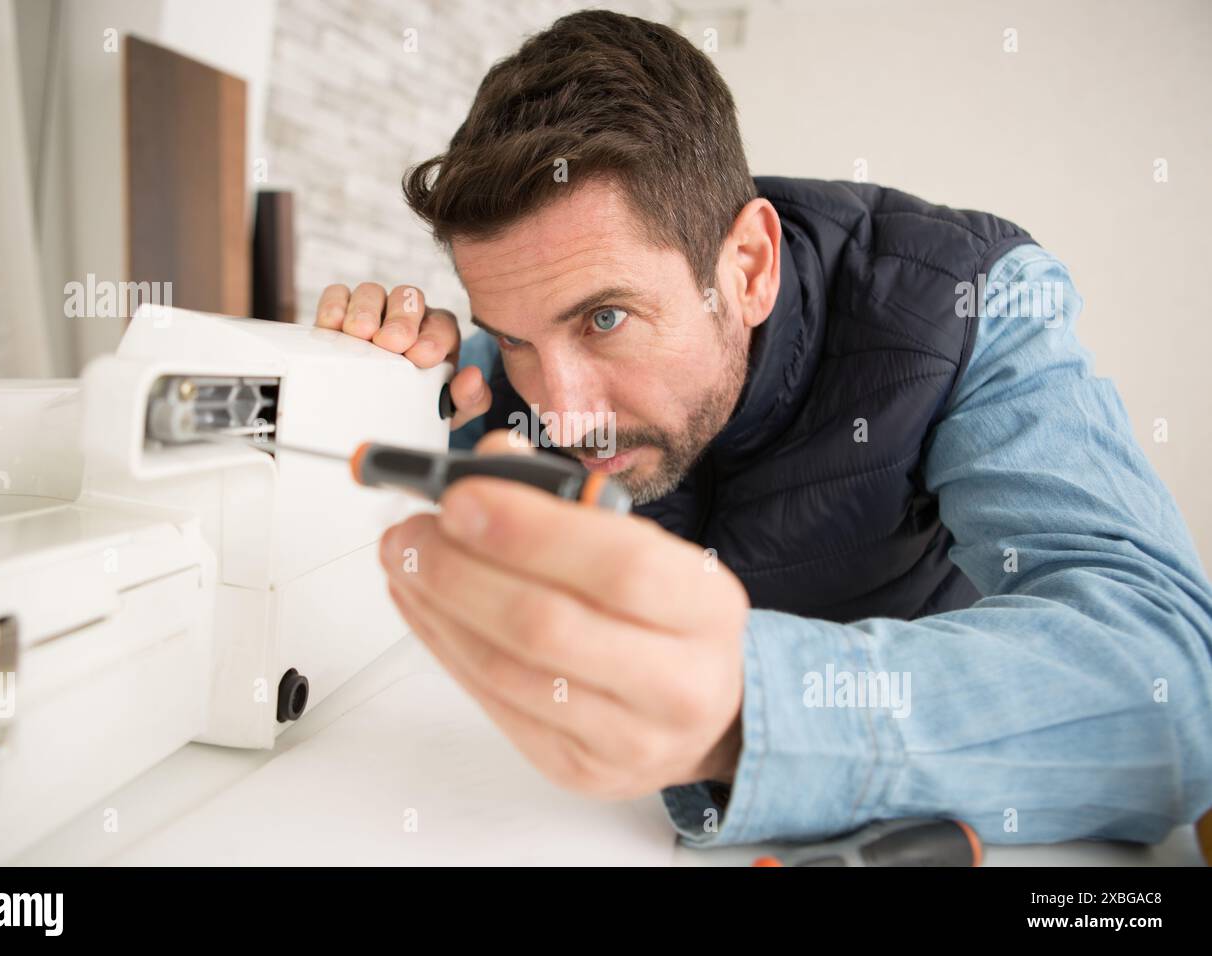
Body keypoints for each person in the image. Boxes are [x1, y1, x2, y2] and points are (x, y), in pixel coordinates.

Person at [312, 10, 1212, 846]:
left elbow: (1172, 687)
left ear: (747, 266)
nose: (562, 408)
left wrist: (749, 713)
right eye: (514, 337)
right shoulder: (511, 381)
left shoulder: (973, 302)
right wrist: (377, 395)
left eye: (606, 320)